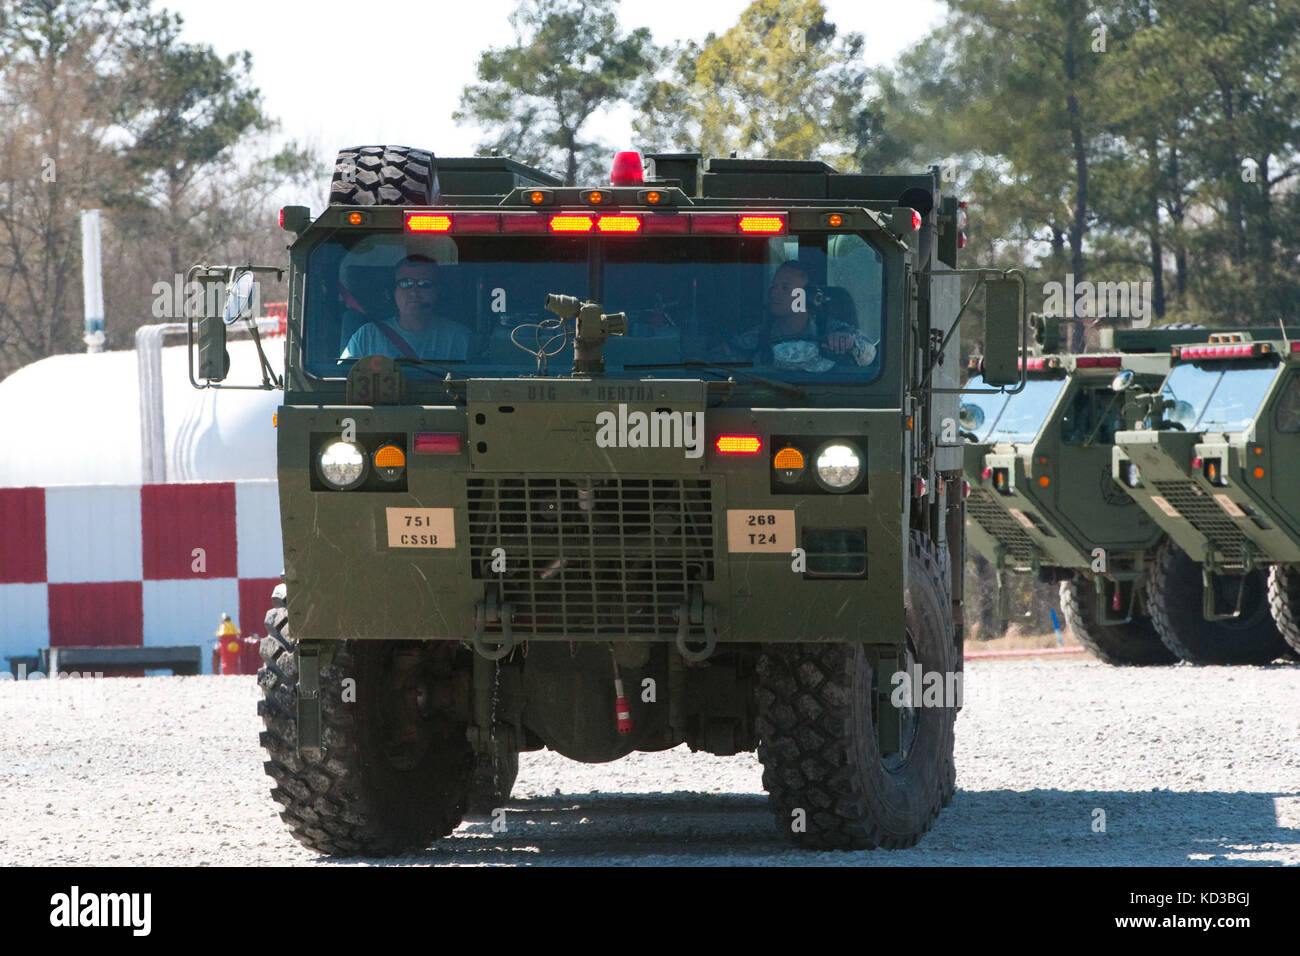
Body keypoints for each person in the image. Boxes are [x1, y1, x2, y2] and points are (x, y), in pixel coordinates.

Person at [339, 255, 469, 361]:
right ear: (391, 292)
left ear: (439, 291)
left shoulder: (460, 337)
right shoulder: (367, 336)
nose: (414, 292)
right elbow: (343, 380)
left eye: (424, 284)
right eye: (406, 283)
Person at [726, 260, 859, 362]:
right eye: (774, 287)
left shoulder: (833, 330)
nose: (774, 294)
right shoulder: (759, 337)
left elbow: (869, 355)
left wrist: (848, 342)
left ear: (809, 296)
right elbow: (717, 362)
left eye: (785, 288)